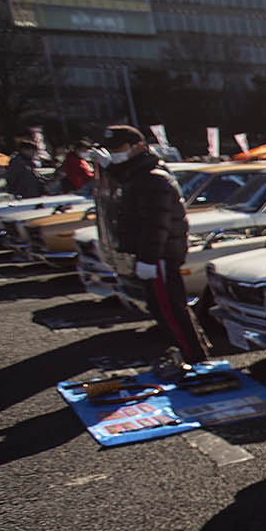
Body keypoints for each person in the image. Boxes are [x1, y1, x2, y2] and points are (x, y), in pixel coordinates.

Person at [105, 125, 207, 368]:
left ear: (138, 147)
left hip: (160, 255)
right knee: (164, 308)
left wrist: (149, 258)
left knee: (170, 310)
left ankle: (194, 359)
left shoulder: (152, 178)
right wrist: (110, 168)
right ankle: (187, 353)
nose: (115, 153)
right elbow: (130, 179)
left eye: (119, 149)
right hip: (156, 253)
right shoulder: (142, 174)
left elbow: (156, 223)